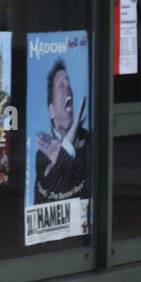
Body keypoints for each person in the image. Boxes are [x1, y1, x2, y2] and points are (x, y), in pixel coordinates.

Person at [34, 58, 88, 202]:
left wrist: (60, 159)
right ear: (51, 111)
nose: (68, 89)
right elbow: (60, 185)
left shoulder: (89, 140)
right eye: (61, 86)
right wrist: (67, 151)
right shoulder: (42, 156)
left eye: (68, 84)